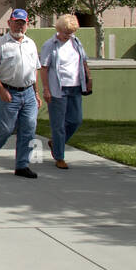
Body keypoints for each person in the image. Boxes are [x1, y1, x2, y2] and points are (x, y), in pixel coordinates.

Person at [0, 8, 44, 178]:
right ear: (9, 23)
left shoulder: (31, 44)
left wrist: (37, 93)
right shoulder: (0, 44)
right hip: (9, 92)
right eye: (16, 22)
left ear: (26, 25)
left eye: (22, 23)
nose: (19, 26)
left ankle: (22, 166)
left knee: (29, 128)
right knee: (5, 128)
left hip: (29, 93)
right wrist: (0, 89)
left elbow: (35, 70)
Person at [40, 13, 90, 170]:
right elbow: (44, 68)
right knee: (58, 125)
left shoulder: (76, 42)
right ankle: (59, 156)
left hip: (75, 87)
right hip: (57, 89)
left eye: (71, 33)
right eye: (65, 32)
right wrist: (46, 89)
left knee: (76, 120)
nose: (68, 36)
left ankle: (56, 143)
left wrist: (89, 79)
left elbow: (83, 61)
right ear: (58, 29)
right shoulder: (50, 44)